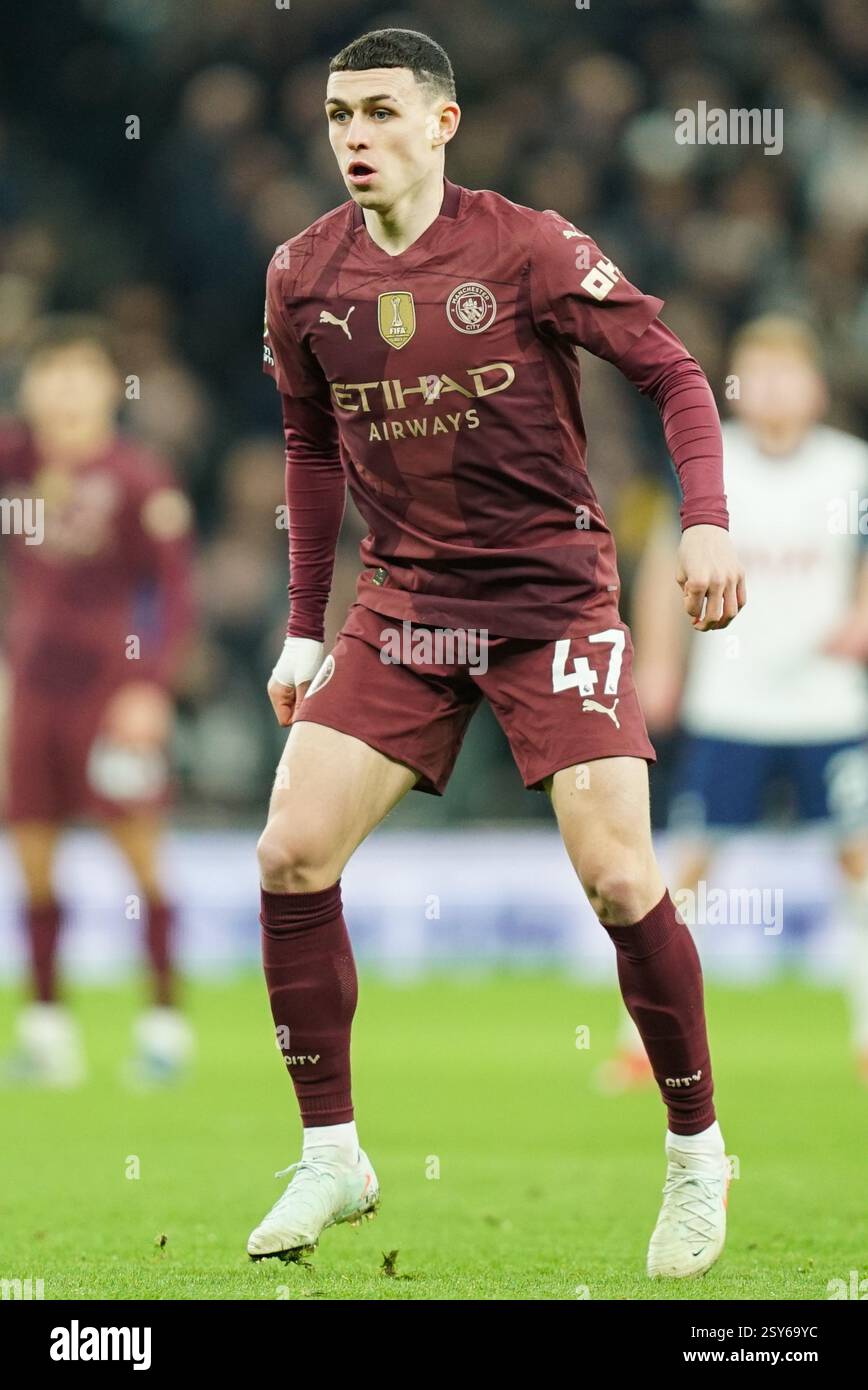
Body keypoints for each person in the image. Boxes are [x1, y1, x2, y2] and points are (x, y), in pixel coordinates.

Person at [248, 28, 745, 1279]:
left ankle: (695, 1154)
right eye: (334, 116)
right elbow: (309, 452)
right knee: (291, 850)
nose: (353, 136)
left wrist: (703, 524)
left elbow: (675, 374)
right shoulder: (303, 274)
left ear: (443, 123)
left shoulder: (526, 244)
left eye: (376, 112)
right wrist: (306, 624)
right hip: (405, 604)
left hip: (550, 600)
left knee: (620, 880)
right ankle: (332, 1154)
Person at [601, 315, 868, 1091]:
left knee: (857, 864)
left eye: (786, 374)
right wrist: (659, 662)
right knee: (687, 873)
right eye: (756, 373)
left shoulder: (851, 470)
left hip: (827, 702)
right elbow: (661, 566)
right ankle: (639, 1042)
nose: (772, 390)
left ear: (816, 387)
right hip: (733, 699)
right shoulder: (709, 468)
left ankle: (863, 1035)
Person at [0, 318, 196, 1086]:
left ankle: (164, 1022)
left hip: (112, 692)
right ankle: (48, 1026)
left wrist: (149, 688)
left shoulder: (138, 478)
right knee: (35, 855)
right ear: (31, 387)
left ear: (111, 388)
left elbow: (174, 594)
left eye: (82, 373)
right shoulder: (14, 467)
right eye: (51, 373)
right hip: (33, 692)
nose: (66, 388)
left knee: (140, 852)